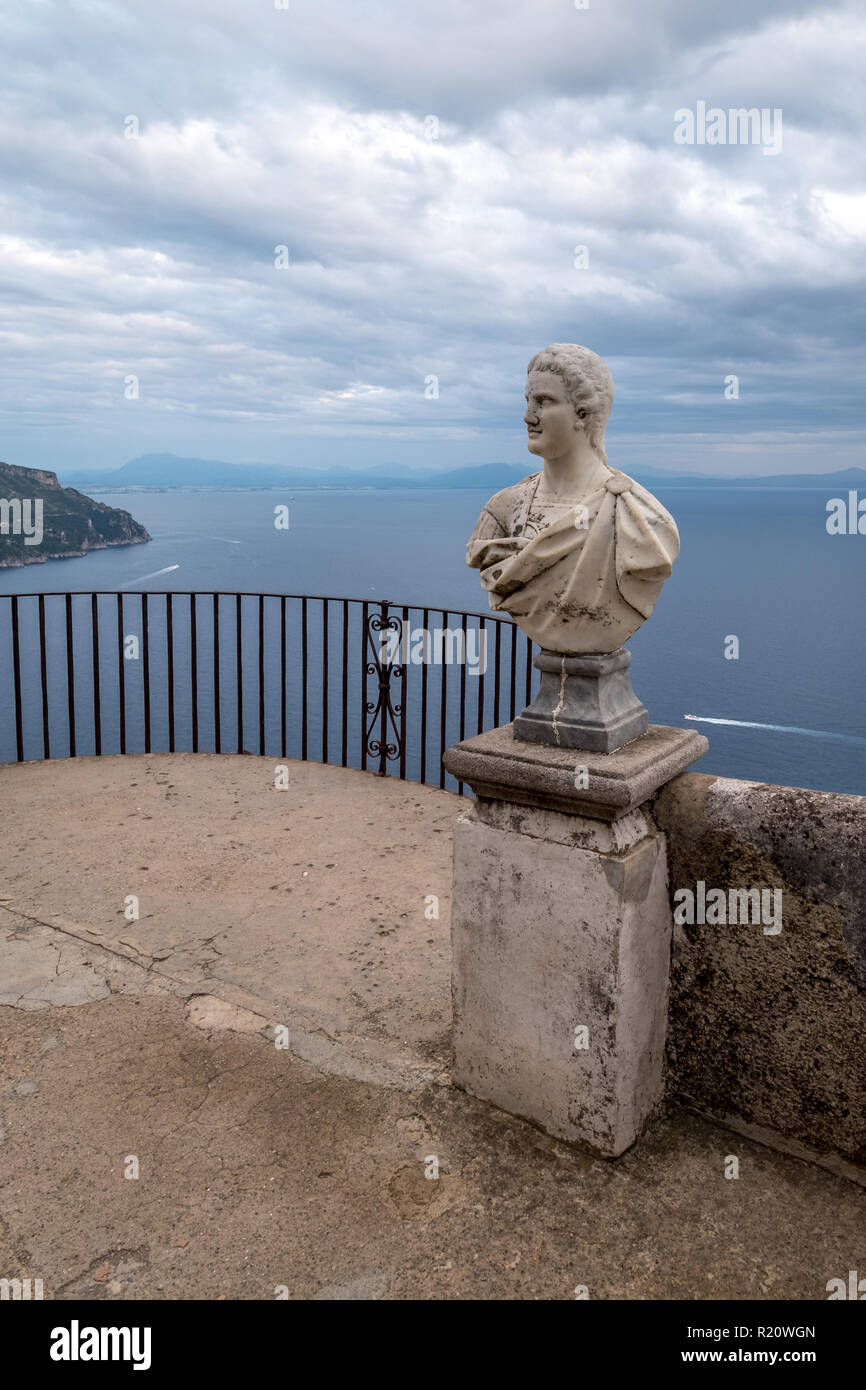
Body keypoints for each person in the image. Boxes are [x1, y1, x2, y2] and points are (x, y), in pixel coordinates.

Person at [466, 343, 680, 654]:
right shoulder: (503, 509)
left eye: (543, 402)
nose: (528, 417)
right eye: (527, 401)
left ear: (583, 413)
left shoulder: (638, 518)